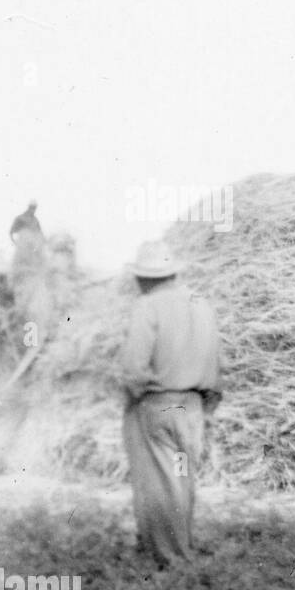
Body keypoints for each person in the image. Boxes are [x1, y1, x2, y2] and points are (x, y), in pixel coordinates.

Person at [117, 241, 222, 568]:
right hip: (192, 406)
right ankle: (179, 546)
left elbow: (134, 368)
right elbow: (217, 361)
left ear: (144, 278)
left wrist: (133, 396)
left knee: (157, 482)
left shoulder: (147, 306)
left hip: (157, 404)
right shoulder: (201, 303)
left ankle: (169, 560)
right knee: (181, 478)